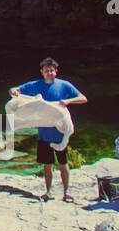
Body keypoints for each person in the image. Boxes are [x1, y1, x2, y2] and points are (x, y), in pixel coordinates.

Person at [10, 57, 87, 202]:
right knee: (47, 164)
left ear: (56, 71)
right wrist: (14, 91)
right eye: (46, 71)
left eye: (51, 70)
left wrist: (68, 101)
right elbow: (16, 90)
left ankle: (66, 193)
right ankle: (48, 192)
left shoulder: (64, 85)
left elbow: (83, 98)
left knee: (63, 163)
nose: (49, 73)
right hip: (44, 132)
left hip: (60, 131)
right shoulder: (36, 85)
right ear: (42, 72)